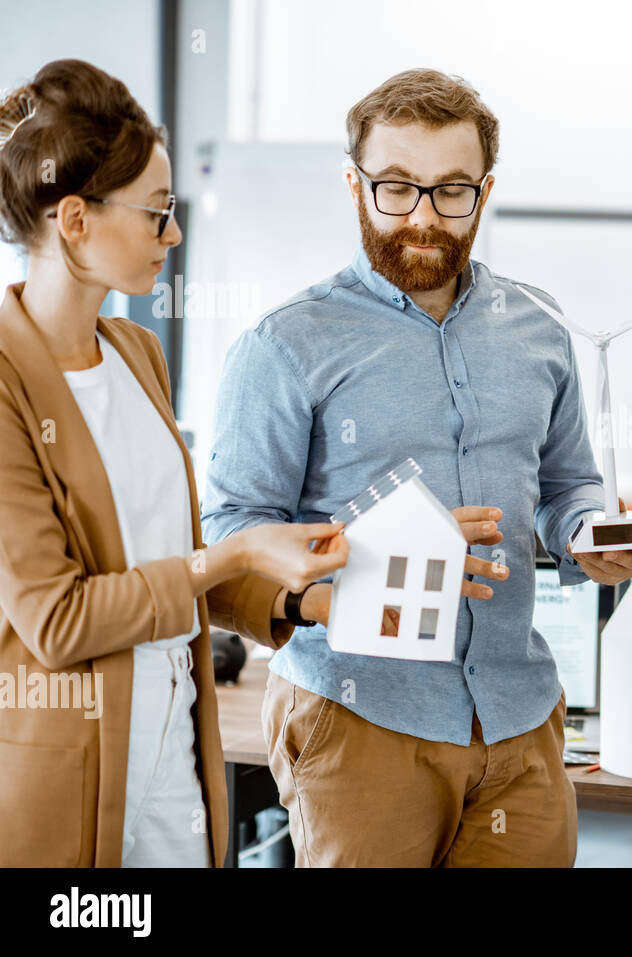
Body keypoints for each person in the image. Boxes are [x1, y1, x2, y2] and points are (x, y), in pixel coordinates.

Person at [201, 68, 632, 867]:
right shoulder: (285, 345)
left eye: (451, 190)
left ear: (483, 190)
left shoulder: (539, 327)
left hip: (519, 719)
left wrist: (588, 530)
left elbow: (565, 484)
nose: (422, 215)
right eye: (396, 187)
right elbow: (230, 540)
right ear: (354, 185)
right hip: (361, 720)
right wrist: (360, 580)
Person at [0, 59, 349, 867]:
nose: (176, 234)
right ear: (75, 220)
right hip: (64, 774)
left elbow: (180, 573)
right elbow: (59, 622)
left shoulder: (137, 353)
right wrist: (232, 551)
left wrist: (317, 597)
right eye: (157, 212)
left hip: (176, 770)